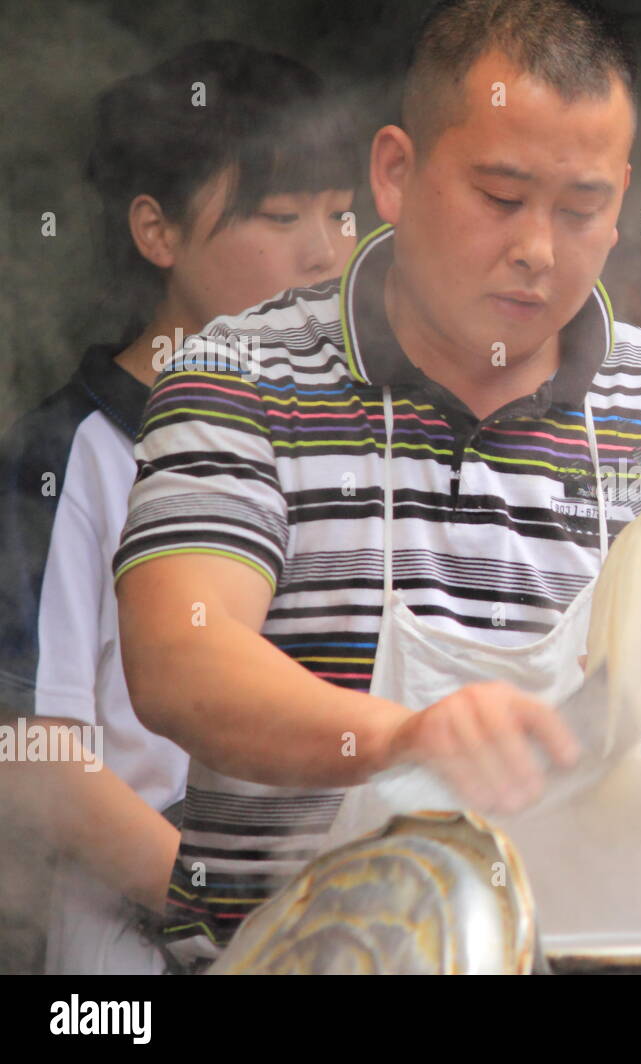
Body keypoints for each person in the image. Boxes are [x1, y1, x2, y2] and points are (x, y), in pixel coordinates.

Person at [113, 0, 641, 972]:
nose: (538, 249)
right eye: (501, 196)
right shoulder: (240, 377)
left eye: (580, 207)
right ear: (395, 171)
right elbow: (180, 658)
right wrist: (406, 737)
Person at [0, 39, 361, 975]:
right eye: (282, 217)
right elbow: (36, 764)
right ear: (156, 232)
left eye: (343, 215)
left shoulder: (356, 438)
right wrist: (250, 922)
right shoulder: (65, 455)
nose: (325, 252)